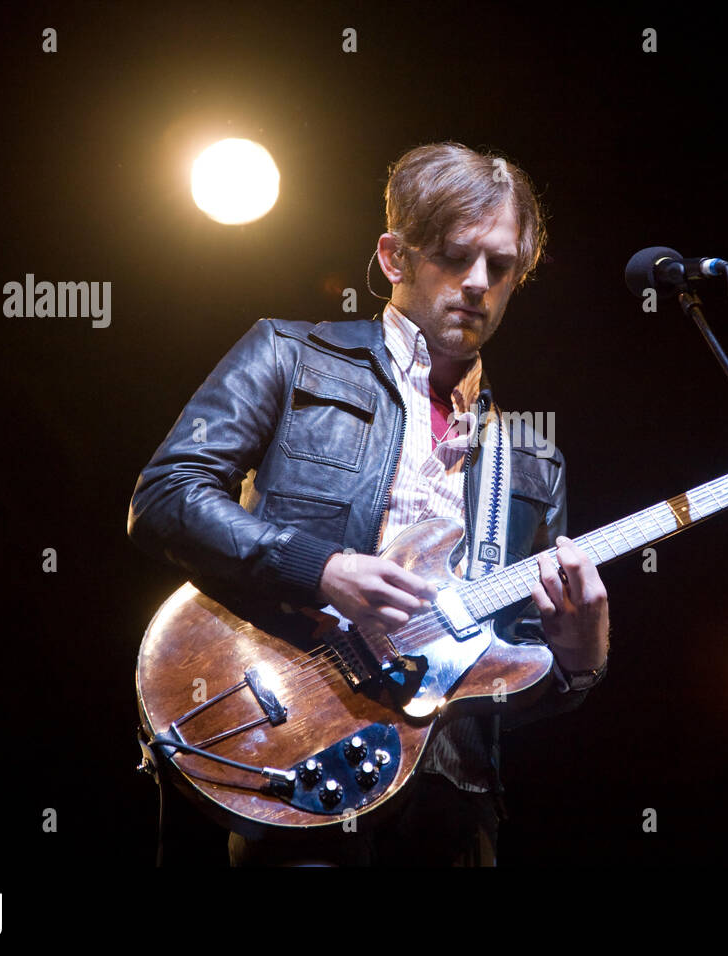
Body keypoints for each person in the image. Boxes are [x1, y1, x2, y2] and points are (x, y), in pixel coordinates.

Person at [127, 142, 610, 865]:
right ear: (394, 257)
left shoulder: (533, 460)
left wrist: (579, 659)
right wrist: (319, 568)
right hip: (294, 755)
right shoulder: (288, 356)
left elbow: (511, 673)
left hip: (453, 796)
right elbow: (164, 498)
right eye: (454, 255)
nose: (478, 283)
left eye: (501, 267)